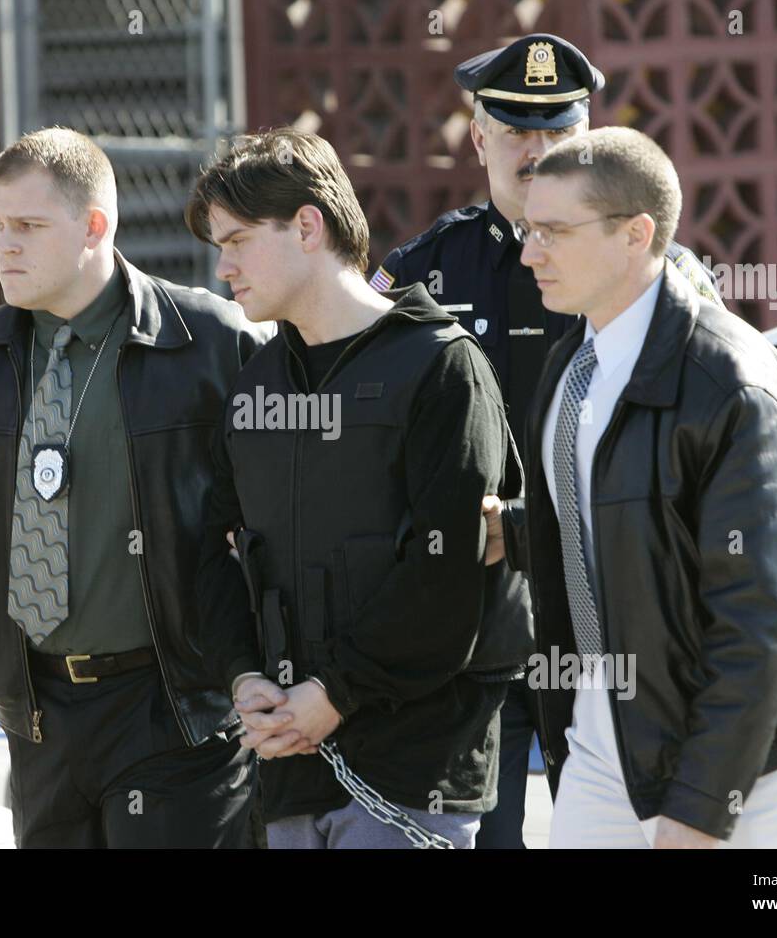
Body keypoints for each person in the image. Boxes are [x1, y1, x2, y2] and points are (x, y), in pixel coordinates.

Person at [0, 127, 270, 848]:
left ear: (95, 225)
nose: (6, 245)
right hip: (36, 716)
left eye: (28, 225)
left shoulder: (209, 343)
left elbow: (281, 527)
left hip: (177, 712)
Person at [370, 32, 721, 849]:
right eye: (517, 132)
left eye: (557, 132)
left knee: (615, 829)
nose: (537, 152)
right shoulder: (422, 274)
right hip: (472, 624)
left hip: (610, 615)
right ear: (480, 135)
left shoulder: (657, 274)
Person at [487, 125, 777, 847]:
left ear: (635, 234)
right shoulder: (570, 366)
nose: (529, 253)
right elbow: (631, 514)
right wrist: (519, 531)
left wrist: (706, 804)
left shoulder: (733, 385)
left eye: (554, 231)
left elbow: (761, 620)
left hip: (746, 767)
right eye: (528, 229)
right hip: (602, 739)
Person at [186, 127, 524, 848]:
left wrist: (334, 695)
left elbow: (448, 575)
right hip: (285, 774)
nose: (223, 267)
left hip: (414, 775)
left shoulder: (442, 369)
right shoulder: (254, 387)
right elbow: (212, 556)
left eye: (238, 240)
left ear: (308, 225)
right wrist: (244, 679)